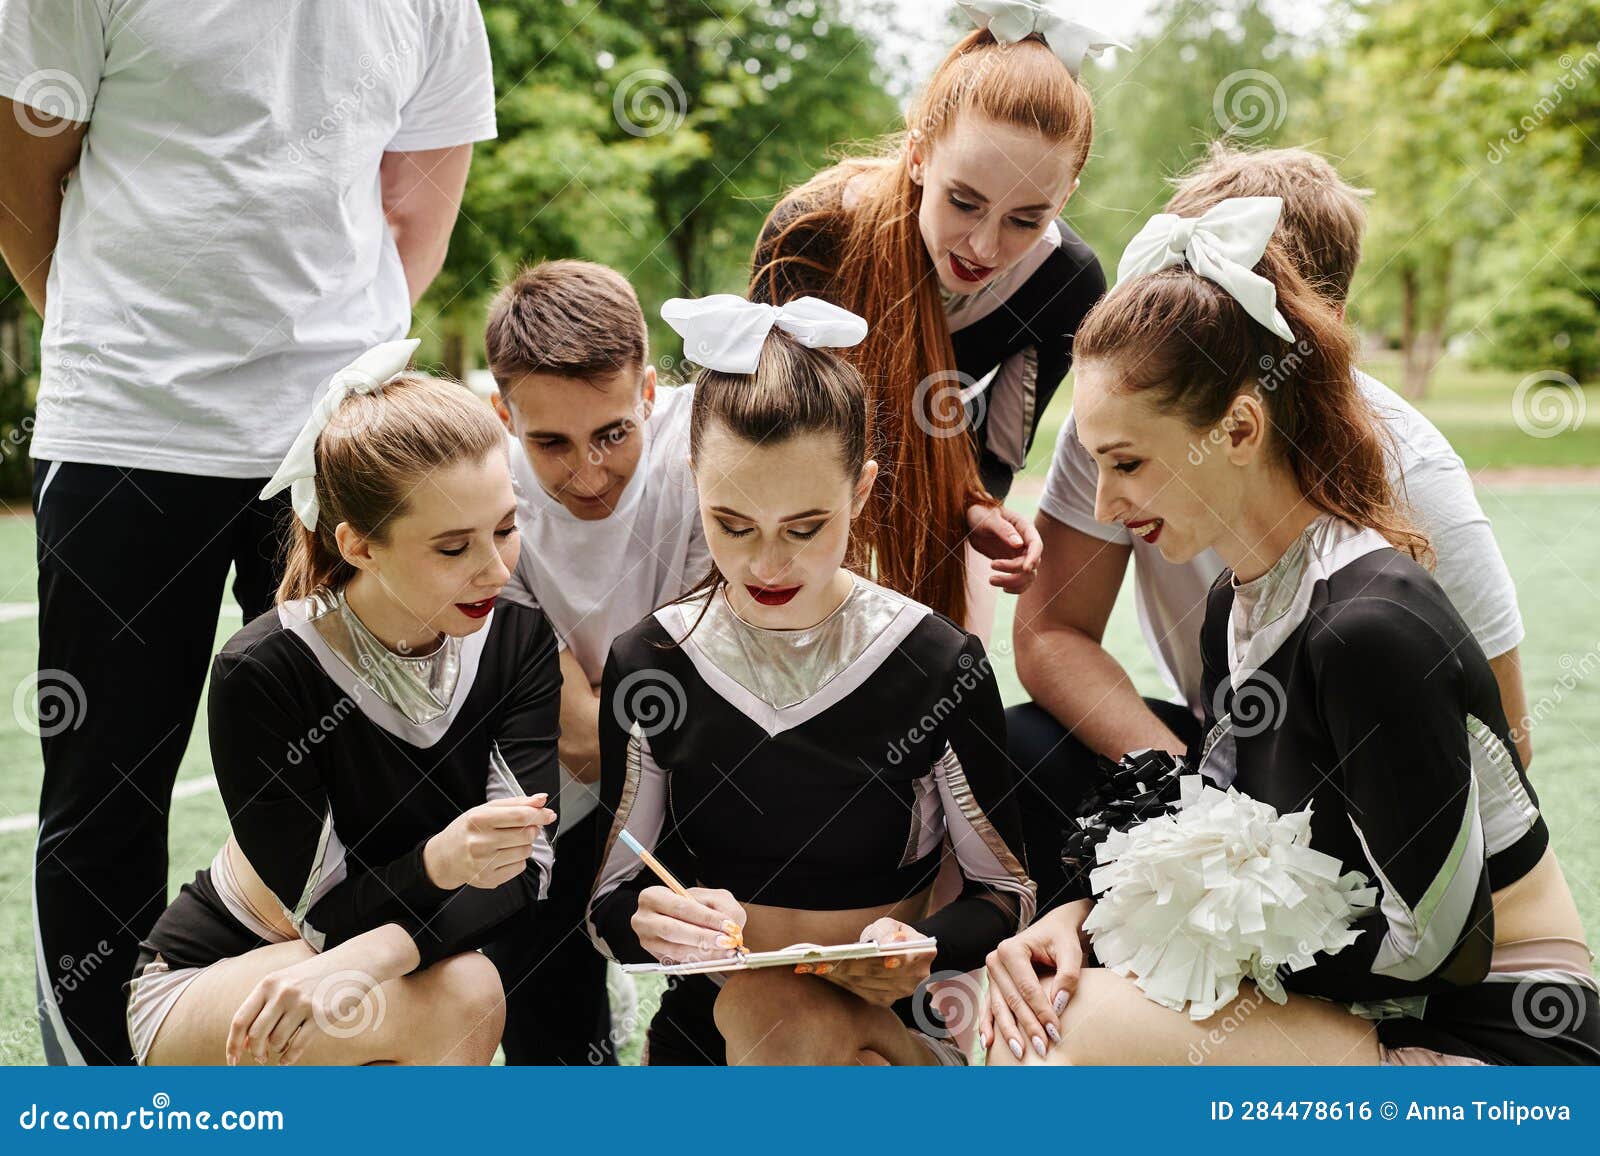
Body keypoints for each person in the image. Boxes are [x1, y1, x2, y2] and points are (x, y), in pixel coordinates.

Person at [982, 199, 1598, 1066]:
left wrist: (1155, 951)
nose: (1106, 505)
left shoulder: (1370, 628)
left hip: (1499, 1048)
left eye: (1127, 463)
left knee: (1064, 1035)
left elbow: (1438, 950)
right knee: (1037, 1017)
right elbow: (1217, 825)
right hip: (1363, 1019)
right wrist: (1081, 914)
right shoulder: (1244, 602)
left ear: (1238, 428)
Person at [0, 0, 495, 1064]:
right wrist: (124, 340)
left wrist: (321, 379)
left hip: (337, 448)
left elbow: (418, 214)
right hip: (129, 430)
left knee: (380, 783)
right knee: (107, 796)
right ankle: (98, 1115)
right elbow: (19, 180)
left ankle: (358, 1072)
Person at [1010, 144, 1531, 913]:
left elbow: (1503, 738)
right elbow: (1050, 632)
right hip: (1215, 741)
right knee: (1026, 752)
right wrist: (1189, 794)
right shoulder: (1129, 411)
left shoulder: (1415, 473)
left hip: (1356, 775)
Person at [586, 295, 1035, 1065]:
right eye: (732, 525)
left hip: (887, 1028)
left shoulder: (933, 663)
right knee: (771, 1007)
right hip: (709, 1035)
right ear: (694, 481)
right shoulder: (650, 663)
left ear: (859, 493)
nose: (767, 565)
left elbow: (1009, 893)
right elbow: (607, 900)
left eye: (804, 528)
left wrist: (918, 940)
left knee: (790, 1013)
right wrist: (652, 919)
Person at [127, 347, 561, 1066]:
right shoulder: (263, 670)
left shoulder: (517, 639)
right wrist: (441, 864)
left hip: (370, 971)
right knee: (465, 993)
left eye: (506, 528)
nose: (496, 567)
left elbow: (528, 869)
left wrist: (371, 955)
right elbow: (325, 918)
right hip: (221, 977)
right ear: (359, 545)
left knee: (464, 991)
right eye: (453, 547)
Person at [749, 3, 1123, 633]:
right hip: (789, 511)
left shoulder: (1068, 283)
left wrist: (976, 508)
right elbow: (759, 425)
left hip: (935, 524)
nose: (983, 247)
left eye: (1026, 219)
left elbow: (996, 455)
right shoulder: (812, 233)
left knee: (950, 678)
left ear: (1066, 198)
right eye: (964, 202)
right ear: (920, 155)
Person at [481, 261, 708, 1064]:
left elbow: (707, 681)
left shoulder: (702, 447)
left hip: (704, 764)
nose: (588, 474)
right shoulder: (485, 488)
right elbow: (579, 733)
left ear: (649, 391)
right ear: (503, 416)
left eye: (613, 433)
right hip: (563, 781)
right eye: (550, 442)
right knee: (538, 991)